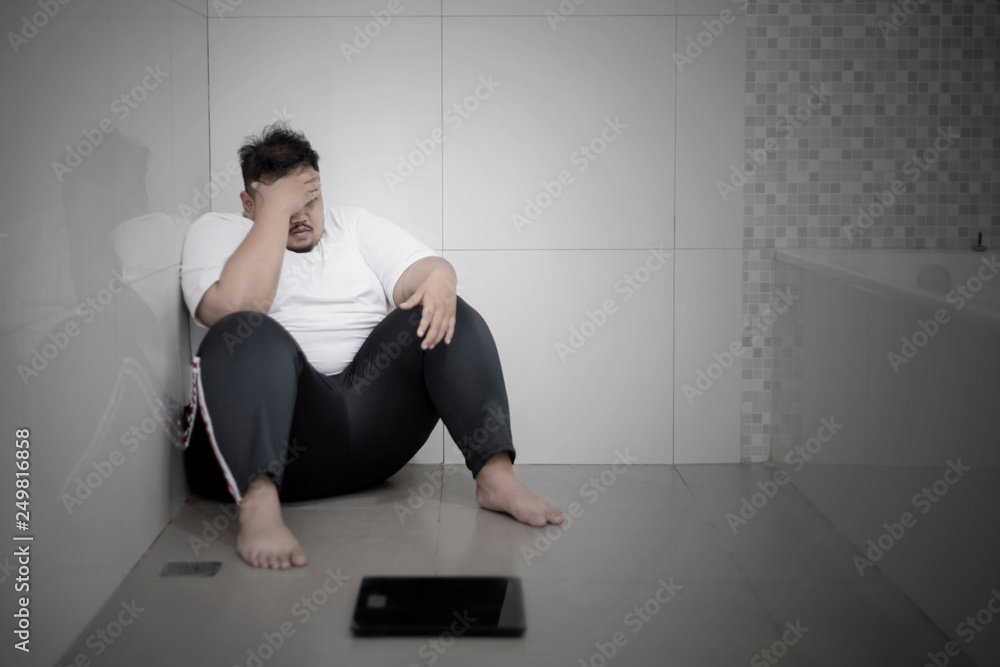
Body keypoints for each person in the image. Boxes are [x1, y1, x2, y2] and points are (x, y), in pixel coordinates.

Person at [179, 123, 563, 570]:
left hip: (368, 428)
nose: (301, 215)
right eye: (287, 205)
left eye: (310, 200)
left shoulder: (353, 225)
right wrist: (273, 213)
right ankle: (260, 506)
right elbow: (239, 305)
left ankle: (496, 478)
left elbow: (426, 270)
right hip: (281, 435)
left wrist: (442, 279)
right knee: (245, 329)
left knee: (440, 306)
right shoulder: (217, 231)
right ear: (248, 203)